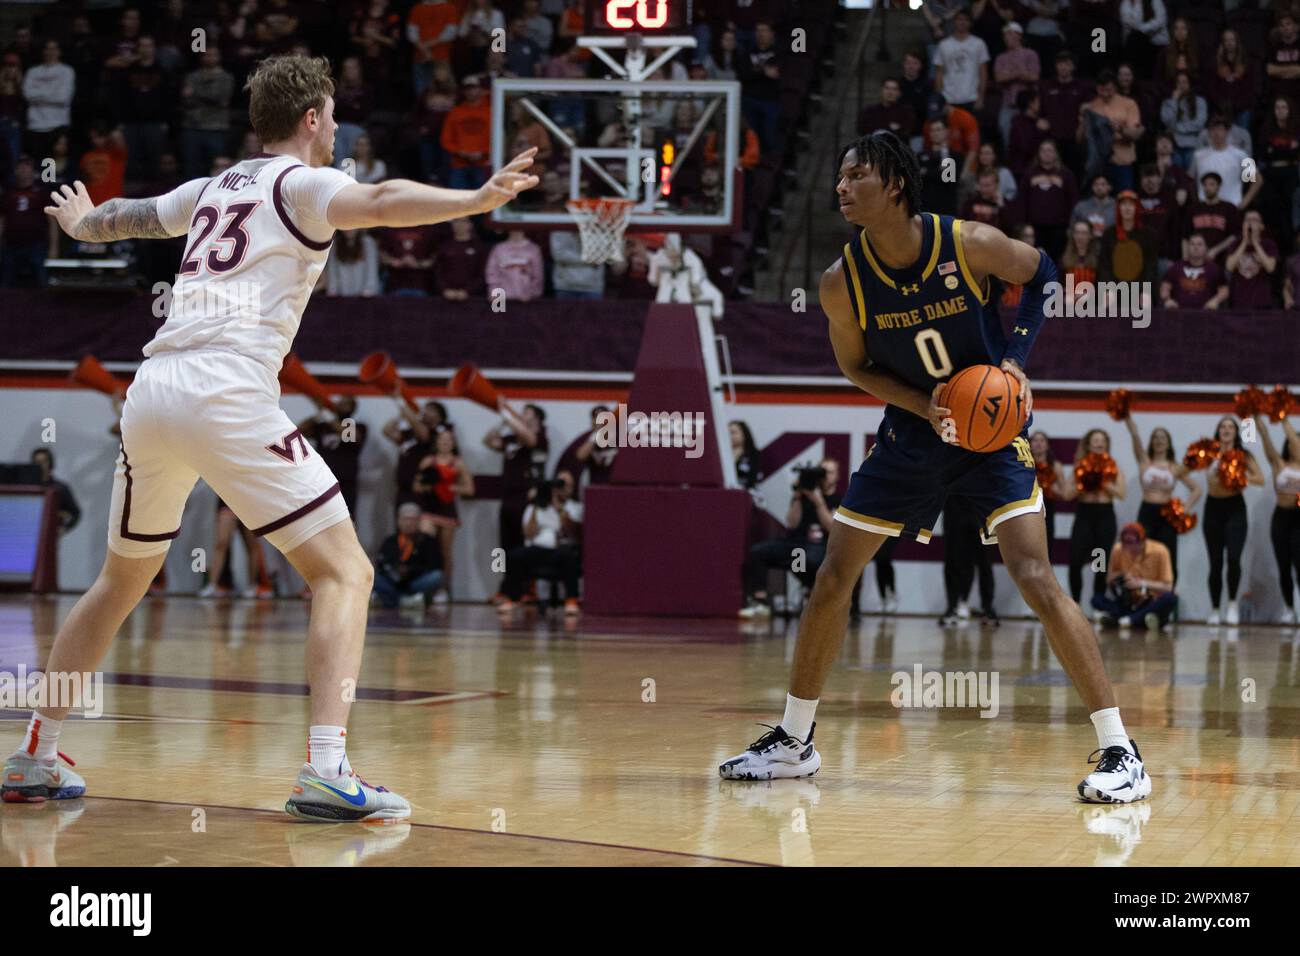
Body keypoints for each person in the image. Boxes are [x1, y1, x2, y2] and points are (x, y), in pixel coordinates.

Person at [5, 55, 538, 821]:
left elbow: (129, 216)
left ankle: (35, 754)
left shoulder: (214, 186)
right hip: (225, 390)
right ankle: (326, 768)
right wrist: (477, 196)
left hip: (152, 391)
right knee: (345, 573)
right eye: (333, 116)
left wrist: (85, 222)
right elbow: (384, 200)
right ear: (315, 118)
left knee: (118, 582)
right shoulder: (303, 183)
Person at [719, 131, 1152, 805]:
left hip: (992, 432)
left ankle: (1122, 751)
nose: (840, 188)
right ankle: (795, 741)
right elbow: (855, 367)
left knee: (1035, 574)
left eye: (854, 175)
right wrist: (929, 403)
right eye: (837, 177)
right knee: (834, 574)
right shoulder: (841, 283)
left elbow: (1044, 276)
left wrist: (1013, 361)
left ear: (893, 183)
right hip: (913, 437)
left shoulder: (968, 243)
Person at [739, 459, 840, 620]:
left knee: (801, 559)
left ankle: (812, 595)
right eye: (822, 471)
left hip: (819, 546)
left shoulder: (838, 499)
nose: (825, 476)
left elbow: (831, 528)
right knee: (758, 552)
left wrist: (819, 502)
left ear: (837, 476)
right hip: (795, 542)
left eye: (830, 472)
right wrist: (798, 497)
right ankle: (760, 601)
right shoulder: (802, 495)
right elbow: (792, 523)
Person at [1201, 416, 1266, 626]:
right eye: (1223, 426)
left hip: (1235, 509)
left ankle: (1231, 605)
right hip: (1212, 509)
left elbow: (1261, 478)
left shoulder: (1244, 455)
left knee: (1234, 559)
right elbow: (1186, 467)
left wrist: (1238, 476)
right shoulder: (1209, 454)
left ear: (1236, 432)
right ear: (1218, 431)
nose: (1226, 429)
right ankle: (1214, 609)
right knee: (1215, 562)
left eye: (1230, 427)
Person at [1123, 416, 1201, 584]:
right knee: (1142, 553)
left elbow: (1196, 489)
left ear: (1168, 443)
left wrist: (1184, 508)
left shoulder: (1175, 467)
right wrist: (1127, 417)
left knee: (1168, 554)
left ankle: (1167, 597)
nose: (1159, 440)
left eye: (1162, 437)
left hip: (1167, 515)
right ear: (1151, 442)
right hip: (1146, 511)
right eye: (1155, 437)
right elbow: (1135, 436)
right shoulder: (1145, 462)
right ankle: (1142, 595)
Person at [496, 474, 582, 615]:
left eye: (564, 485)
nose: (560, 489)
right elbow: (528, 533)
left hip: (560, 550)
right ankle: (513, 598)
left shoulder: (574, 507)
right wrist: (537, 502)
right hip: (537, 549)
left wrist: (558, 507)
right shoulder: (536, 507)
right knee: (513, 556)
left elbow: (573, 532)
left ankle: (571, 600)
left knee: (569, 557)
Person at [1061, 428, 1126, 614]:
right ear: (1088, 444)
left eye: (1102, 440)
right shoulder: (1079, 466)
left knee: (1100, 563)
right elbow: (1066, 494)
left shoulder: (1114, 467)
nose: (1098, 443)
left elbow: (1121, 493)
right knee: (1075, 561)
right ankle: (1075, 605)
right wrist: (1085, 482)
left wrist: (1103, 481)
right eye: (1095, 440)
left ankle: (1098, 604)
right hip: (1084, 516)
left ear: (1106, 445)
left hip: (1104, 516)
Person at [411, 425, 473, 602]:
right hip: (429, 508)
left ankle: (443, 589)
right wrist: (430, 486)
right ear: (436, 442)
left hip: (447, 510)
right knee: (425, 547)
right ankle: (423, 587)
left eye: (449, 440)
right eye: (442, 439)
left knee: (445, 551)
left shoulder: (458, 463)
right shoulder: (428, 461)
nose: (445, 443)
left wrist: (453, 487)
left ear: (453, 443)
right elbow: (416, 485)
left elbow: (469, 488)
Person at [484, 400, 549, 560]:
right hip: (507, 497)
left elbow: (530, 439)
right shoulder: (511, 439)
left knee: (523, 542)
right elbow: (487, 441)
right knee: (504, 543)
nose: (520, 415)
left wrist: (507, 414)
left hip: (525, 498)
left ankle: (524, 582)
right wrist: (502, 422)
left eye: (526, 413)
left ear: (536, 420)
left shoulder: (541, 438)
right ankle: (505, 577)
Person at [1253, 414, 1300, 624]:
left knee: (1299, 564)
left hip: (1299, 519)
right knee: (1283, 565)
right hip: (1281, 517)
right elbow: (1265, 441)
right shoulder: (1279, 465)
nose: (1293, 446)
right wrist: (1256, 417)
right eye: (1290, 443)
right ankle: (1289, 609)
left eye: (1296, 443)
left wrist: (1283, 418)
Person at [1092, 523, 1176, 631]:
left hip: (1150, 599)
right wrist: (1122, 577)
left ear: (1142, 541)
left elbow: (1168, 587)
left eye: (1131, 543)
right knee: (1097, 599)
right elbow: (1108, 579)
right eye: (1124, 543)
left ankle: (1128, 619)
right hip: (1128, 600)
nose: (1127, 547)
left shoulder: (1160, 551)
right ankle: (1140, 619)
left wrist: (1141, 583)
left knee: (1169, 598)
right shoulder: (1118, 549)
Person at [373, 504, 444, 609]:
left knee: (436, 576)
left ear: (419, 521)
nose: (409, 523)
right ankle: (406, 601)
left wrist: (410, 571)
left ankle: (395, 600)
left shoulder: (428, 541)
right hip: (393, 582)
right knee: (373, 576)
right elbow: (382, 563)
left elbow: (435, 565)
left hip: (415, 582)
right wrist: (395, 570)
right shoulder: (390, 541)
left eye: (413, 519)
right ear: (399, 520)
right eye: (406, 519)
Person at [29, 448, 80, 533]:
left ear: (50, 463)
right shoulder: (27, 488)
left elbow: (75, 513)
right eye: (37, 462)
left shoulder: (60, 488)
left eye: (43, 462)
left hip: (50, 535)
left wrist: (64, 529)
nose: (40, 466)